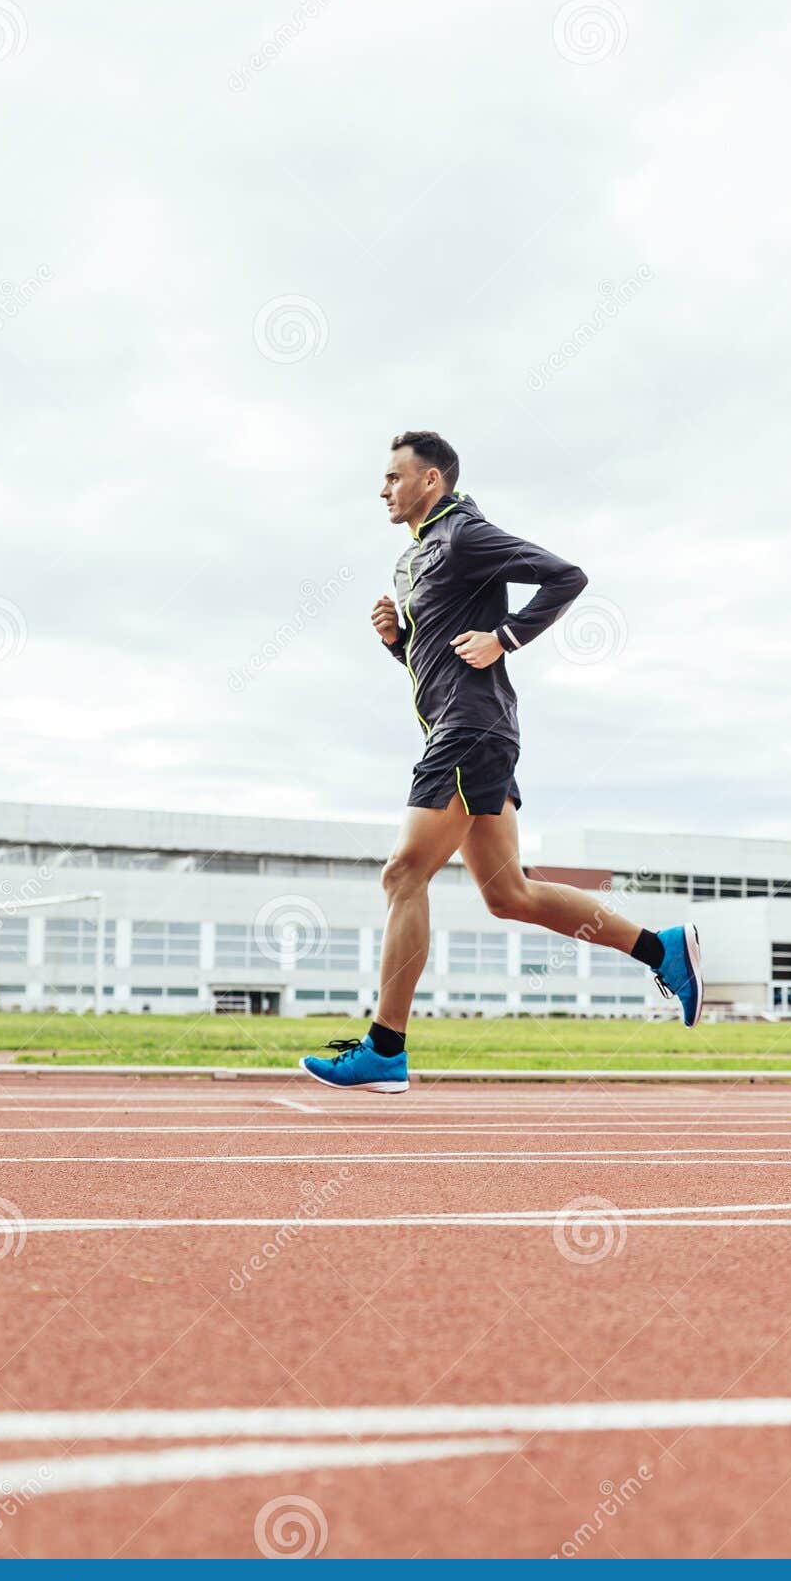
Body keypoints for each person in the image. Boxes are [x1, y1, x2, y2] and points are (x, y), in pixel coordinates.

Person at [300, 431, 702, 1092]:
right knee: (508, 895)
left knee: (404, 875)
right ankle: (663, 950)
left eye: (394, 476)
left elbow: (566, 575)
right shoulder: (422, 558)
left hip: (467, 732)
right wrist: (398, 641)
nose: (383, 489)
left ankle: (385, 1049)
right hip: (472, 731)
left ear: (431, 481)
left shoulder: (462, 535)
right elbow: (440, 658)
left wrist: (507, 636)